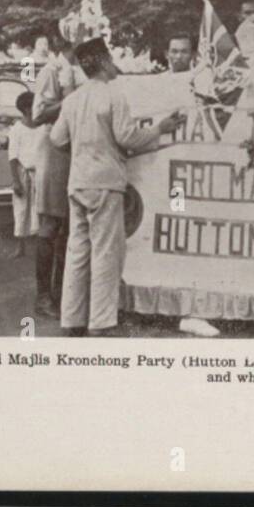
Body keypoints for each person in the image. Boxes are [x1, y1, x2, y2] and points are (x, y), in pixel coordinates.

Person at [50, 39, 186, 335]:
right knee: (106, 254)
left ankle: (72, 320)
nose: (114, 64)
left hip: (78, 182)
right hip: (106, 182)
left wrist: (84, 149)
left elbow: (57, 139)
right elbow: (127, 137)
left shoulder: (72, 100)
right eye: (110, 59)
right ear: (101, 62)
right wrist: (159, 129)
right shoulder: (114, 95)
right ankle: (101, 322)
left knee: (78, 251)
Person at [30, 34, 81, 317]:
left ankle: (63, 294)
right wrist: (71, 101)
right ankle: (43, 297)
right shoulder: (52, 71)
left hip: (75, 151)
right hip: (54, 150)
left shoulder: (80, 70)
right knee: (50, 225)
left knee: (69, 227)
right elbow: (38, 115)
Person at [6, 91, 45, 259]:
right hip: (23, 173)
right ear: (28, 109)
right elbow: (13, 157)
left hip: (41, 172)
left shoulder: (43, 126)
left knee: (40, 209)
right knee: (21, 210)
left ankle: (40, 247)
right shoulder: (17, 129)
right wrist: (16, 181)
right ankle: (20, 247)